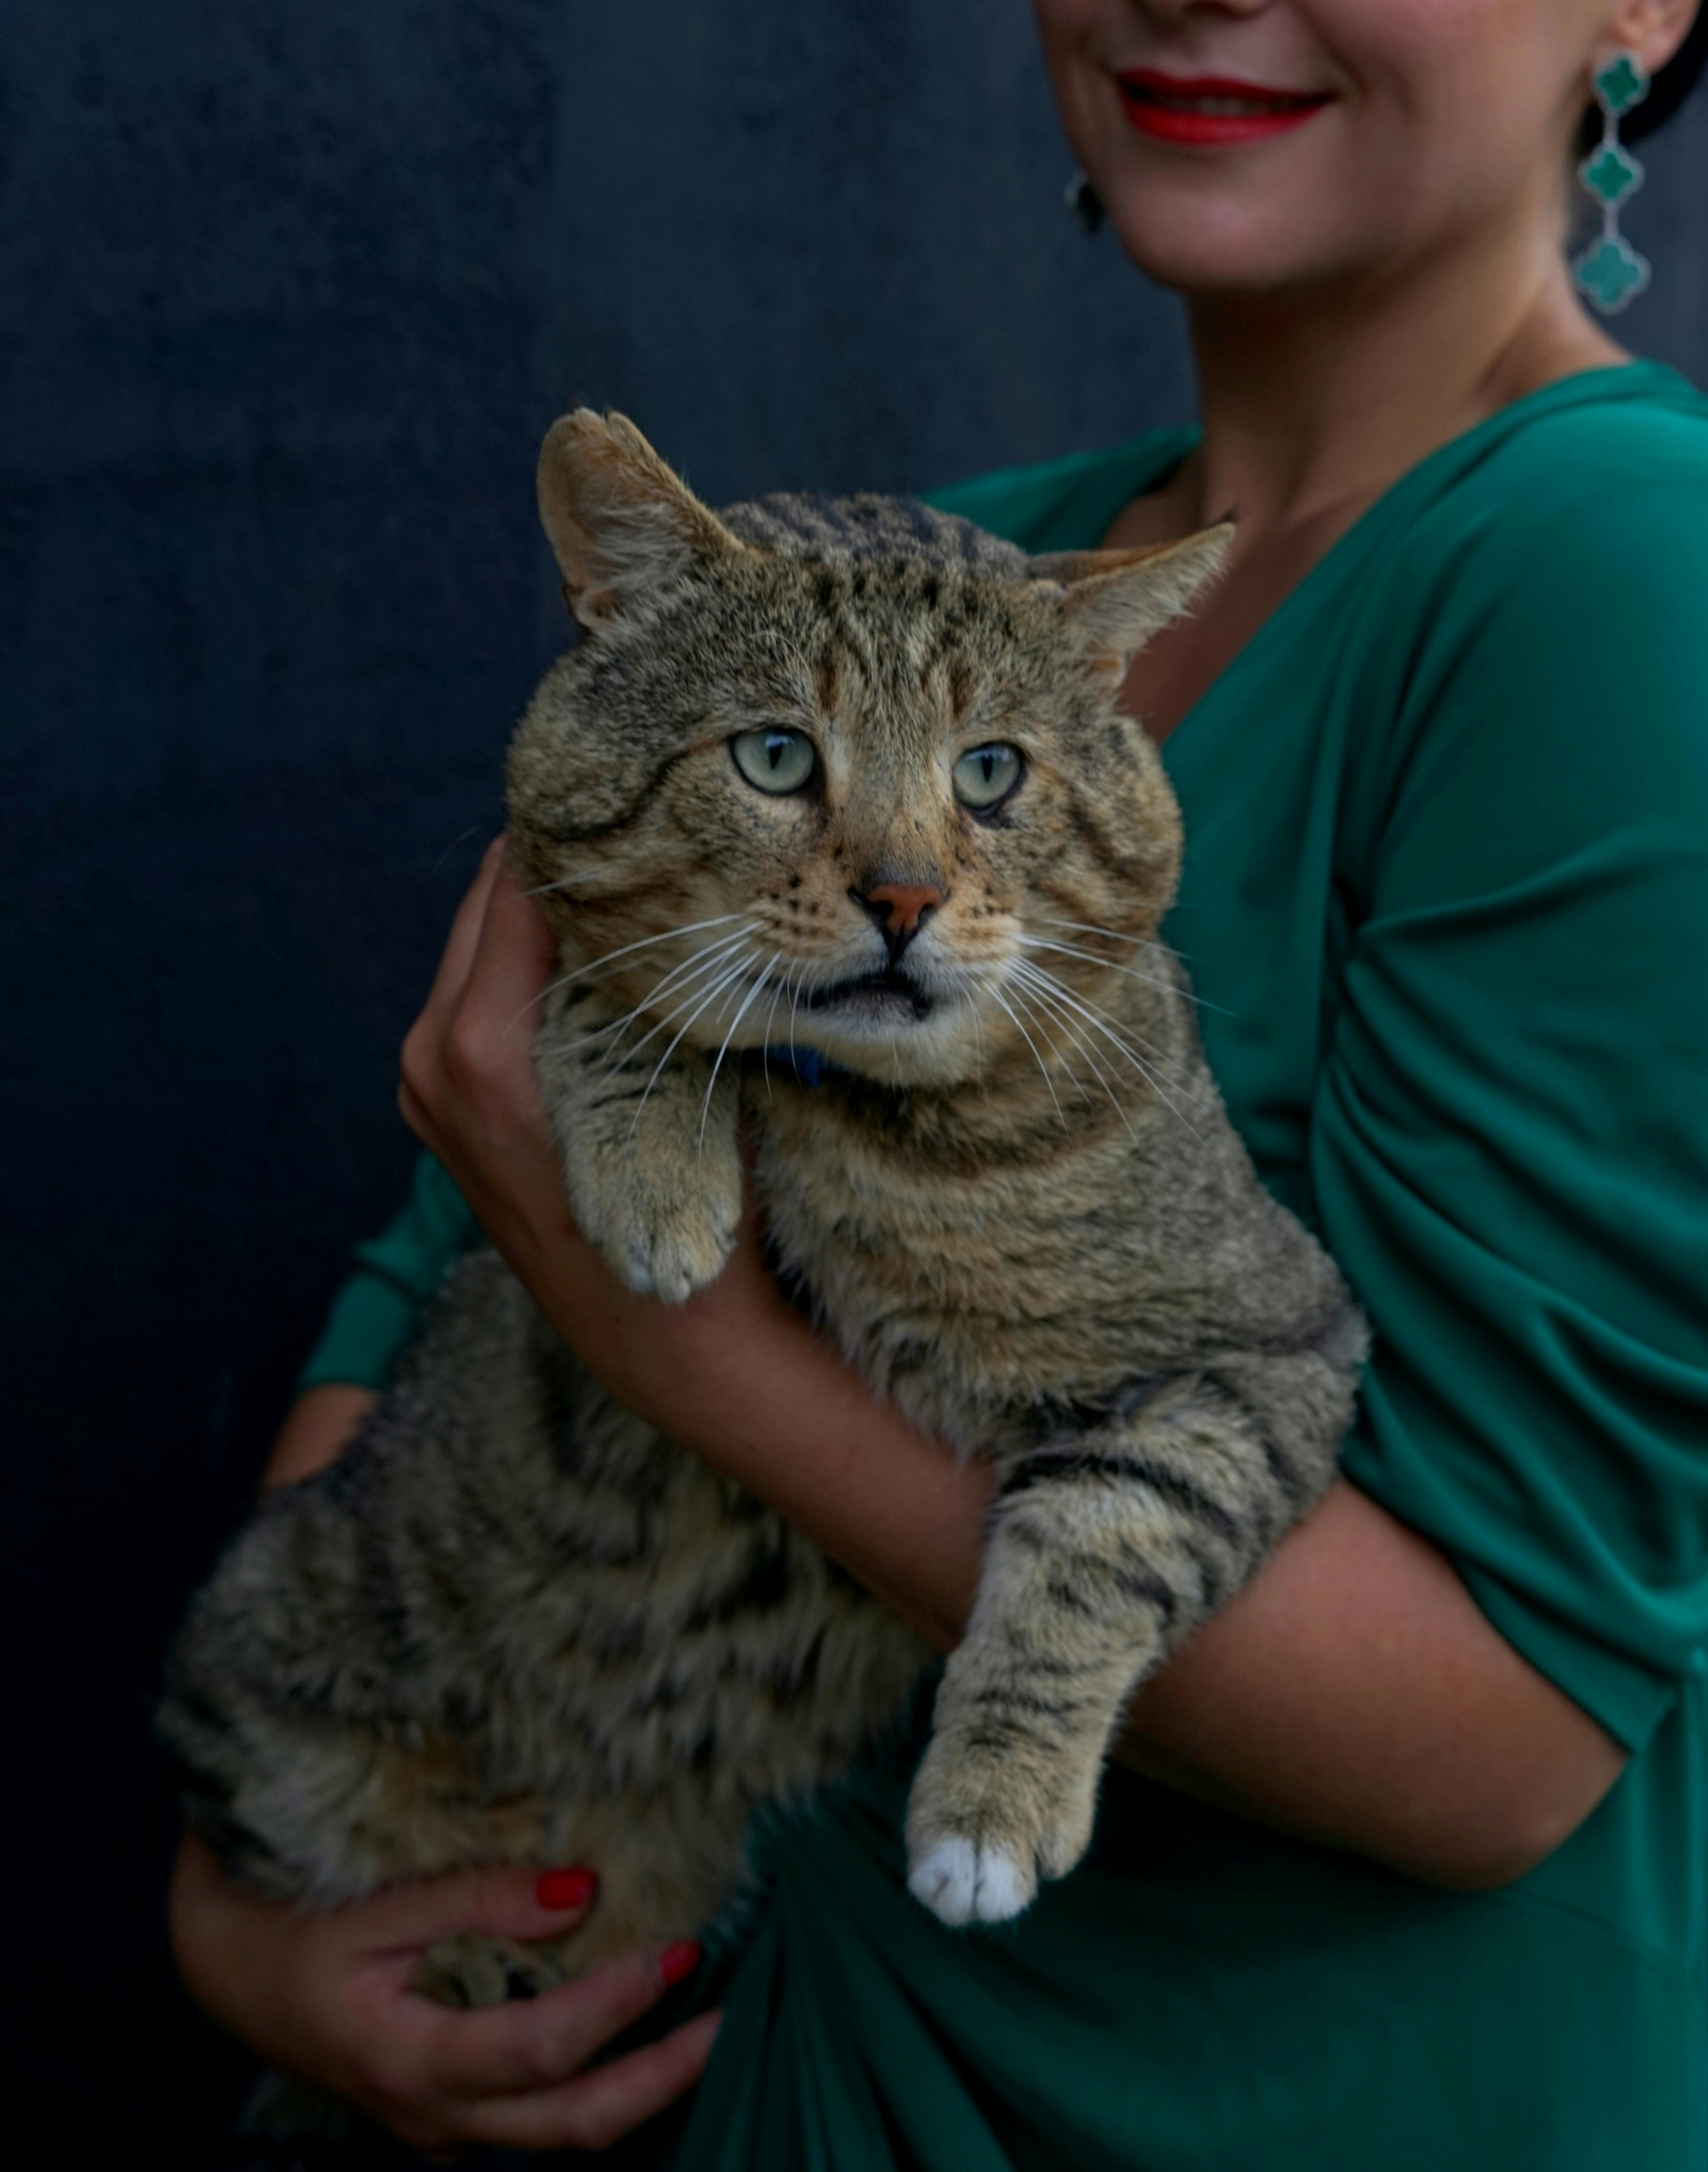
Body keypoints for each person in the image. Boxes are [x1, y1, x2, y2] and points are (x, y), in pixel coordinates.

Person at [169, 0, 1708, 2163]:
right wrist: (243, 1915)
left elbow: (1500, 1734)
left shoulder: (1627, 571)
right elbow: (448, 1225)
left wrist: (663, 1332)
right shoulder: (941, 576)